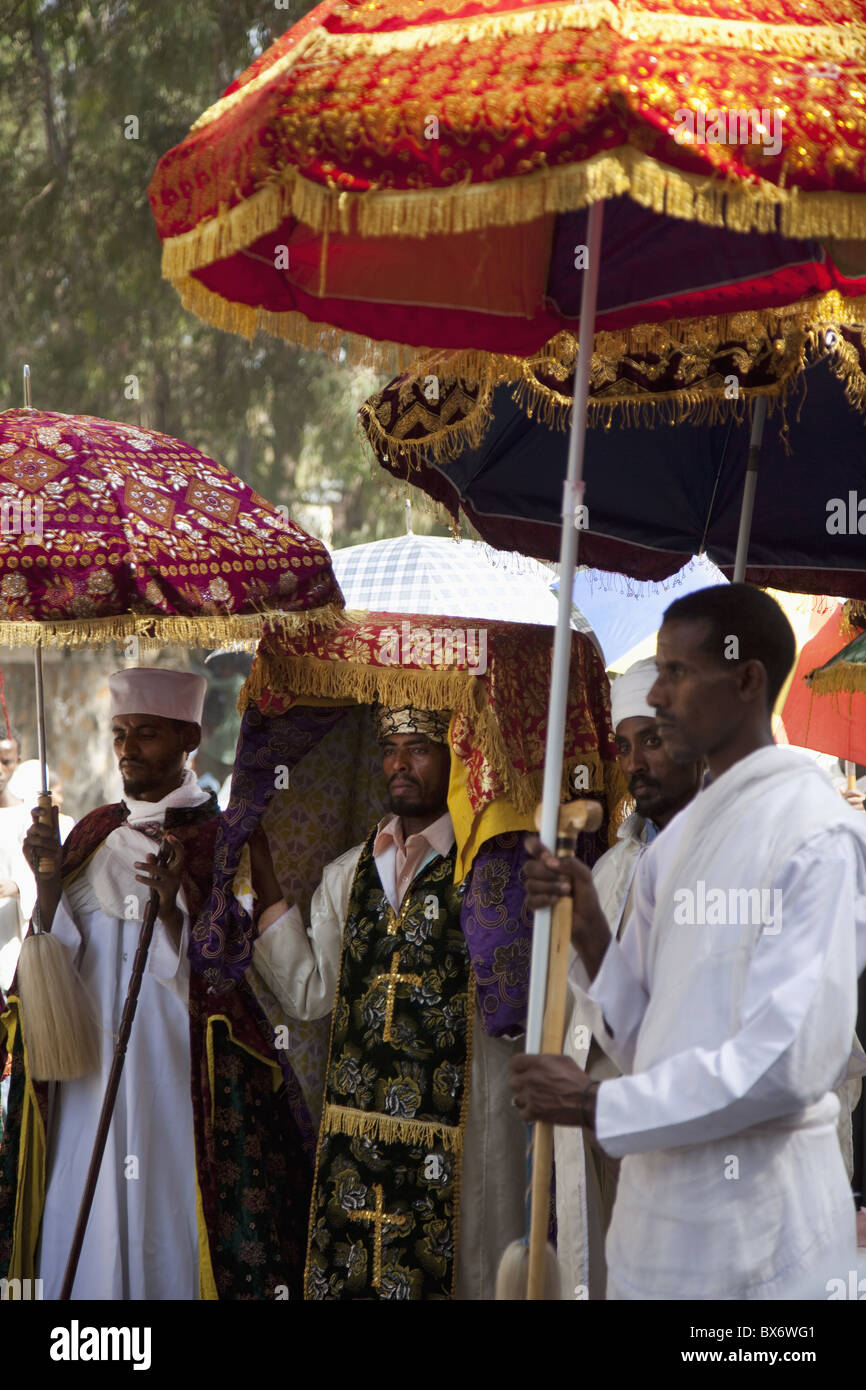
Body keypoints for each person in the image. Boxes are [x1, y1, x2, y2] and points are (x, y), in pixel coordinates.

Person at [512, 583, 866, 1300]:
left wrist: (593, 1106)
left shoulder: (815, 831)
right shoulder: (672, 848)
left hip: (764, 1237)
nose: (661, 695)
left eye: (677, 673)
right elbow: (651, 1043)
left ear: (746, 680)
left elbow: (788, 1063)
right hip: (661, 1229)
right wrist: (587, 930)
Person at [0, 668, 312, 1299]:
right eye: (120, 734)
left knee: (168, 1210)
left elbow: (226, 970)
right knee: (83, 1209)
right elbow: (53, 959)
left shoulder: (226, 840)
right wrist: (51, 887)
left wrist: (175, 908)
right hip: (89, 1073)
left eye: (145, 733)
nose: (127, 749)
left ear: (187, 737)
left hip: (179, 1072)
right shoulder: (90, 832)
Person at [250, 704, 526, 1300]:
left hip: (460, 1126)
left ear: (456, 760)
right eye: (390, 749)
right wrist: (264, 873)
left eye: (419, 749)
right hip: (359, 1131)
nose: (399, 764)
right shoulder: (351, 870)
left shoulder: (489, 869)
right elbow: (308, 991)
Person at [557, 658, 702, 1300]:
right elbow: (580, 1011)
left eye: (654, 739)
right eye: (624, 746)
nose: (634, 762)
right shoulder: (614, 865)